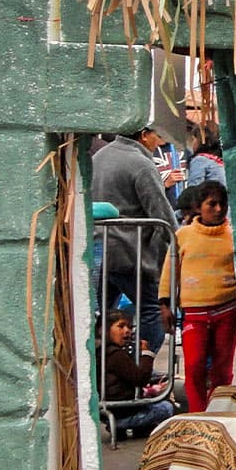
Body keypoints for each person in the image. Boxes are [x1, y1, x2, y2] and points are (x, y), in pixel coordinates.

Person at [90, 127, 178, 352]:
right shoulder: (141, 163)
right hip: (131, 253)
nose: (159, 143)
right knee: (152, 310)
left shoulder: (100, 157)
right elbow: (161, 212)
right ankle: (141, 366)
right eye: (158, 136)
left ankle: (108, 366)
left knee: (102, 314)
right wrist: (179, 243)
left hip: (100, 249)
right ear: (144, 134)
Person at [161, 179, 236, 413]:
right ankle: (197, 415)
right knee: (194, 365)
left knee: (222, 369)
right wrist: (164, 304)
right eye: (211, 204)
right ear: (198, 207)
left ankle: (220, 415)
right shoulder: (182, 235)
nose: (218, 209)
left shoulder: (234, 235)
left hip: (227, 310)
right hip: (194, 313)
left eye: (222, 204)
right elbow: (169, 271)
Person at [98, 309, 176, 441]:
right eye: (121, 326)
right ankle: (126, 425)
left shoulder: (103, 352)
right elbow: (139, 378)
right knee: (166, 407)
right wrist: (146, 354)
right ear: (104, 330)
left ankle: (135, 427)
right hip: (121, 411)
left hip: (113, 409)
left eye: (129, 327)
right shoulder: (115, 355)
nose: (127, 331)